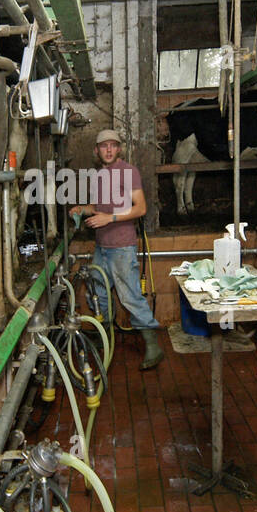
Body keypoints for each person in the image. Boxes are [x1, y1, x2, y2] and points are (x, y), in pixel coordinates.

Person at [69, 129, 164, 370]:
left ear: (119, 149)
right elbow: (101, 207)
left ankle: (153, 347)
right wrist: (83, 209)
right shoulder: (101, 174)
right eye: (104, 146)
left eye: (113, 145)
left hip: (122, 246)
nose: (109, 150)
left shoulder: (128, 172)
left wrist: (109, 219)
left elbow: (140, 208)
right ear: (96, 151)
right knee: (99, 293)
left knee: (130, 296)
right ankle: (105, 338)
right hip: (103, 247)